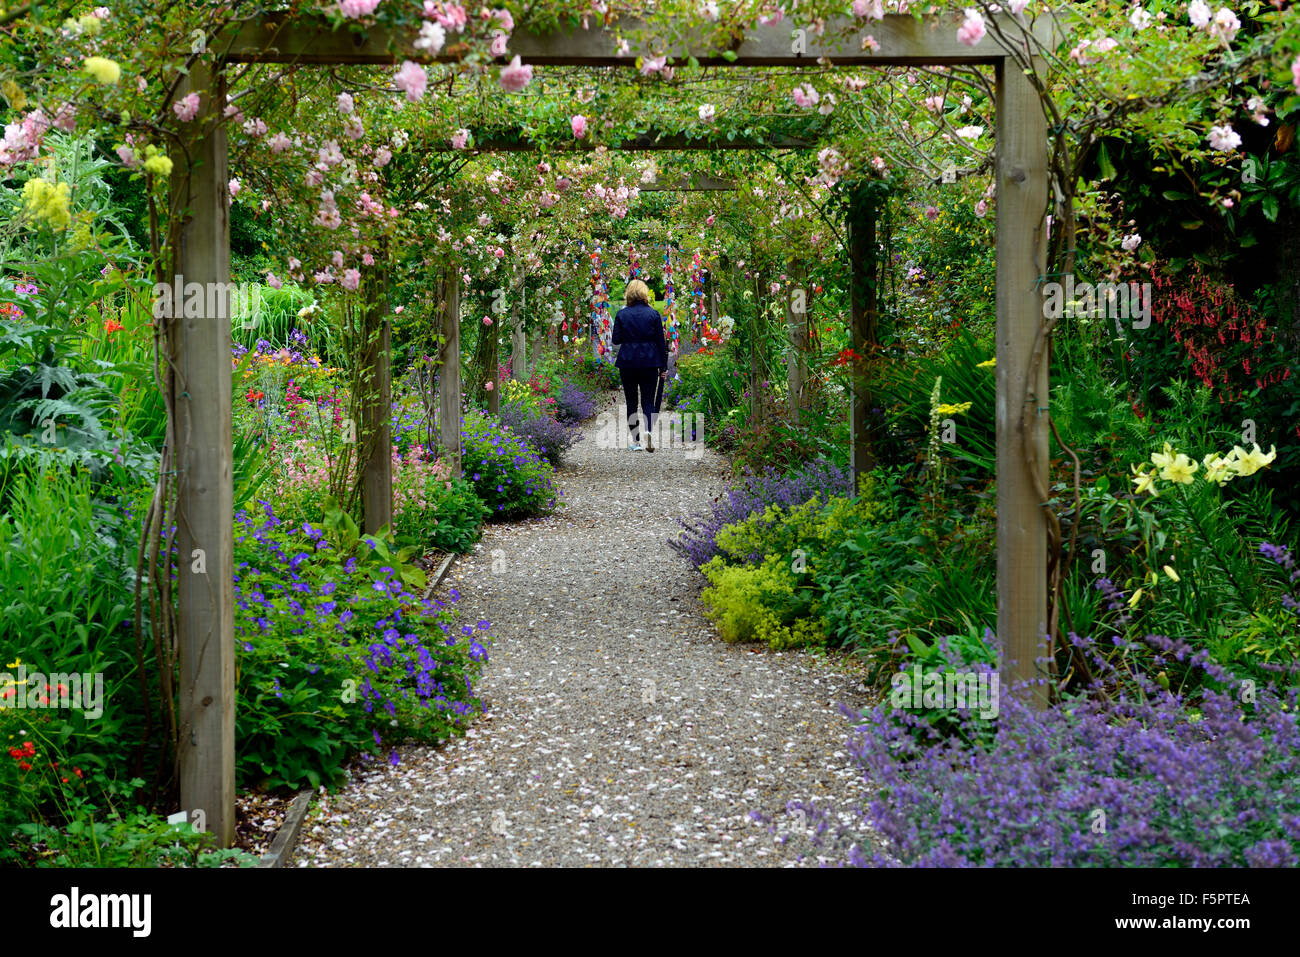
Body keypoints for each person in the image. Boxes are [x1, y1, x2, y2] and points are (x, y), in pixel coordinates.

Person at [611, 279, 668, 452]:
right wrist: (663, 367)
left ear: (629, 293)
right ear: (645, 293)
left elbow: (616, 339)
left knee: (631, 402)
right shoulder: (653, 315)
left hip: (627, 362)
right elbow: (661, 343)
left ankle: (636, 441)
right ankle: (649, 433)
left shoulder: (622, 315)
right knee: (648, 400)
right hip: (650, 362)